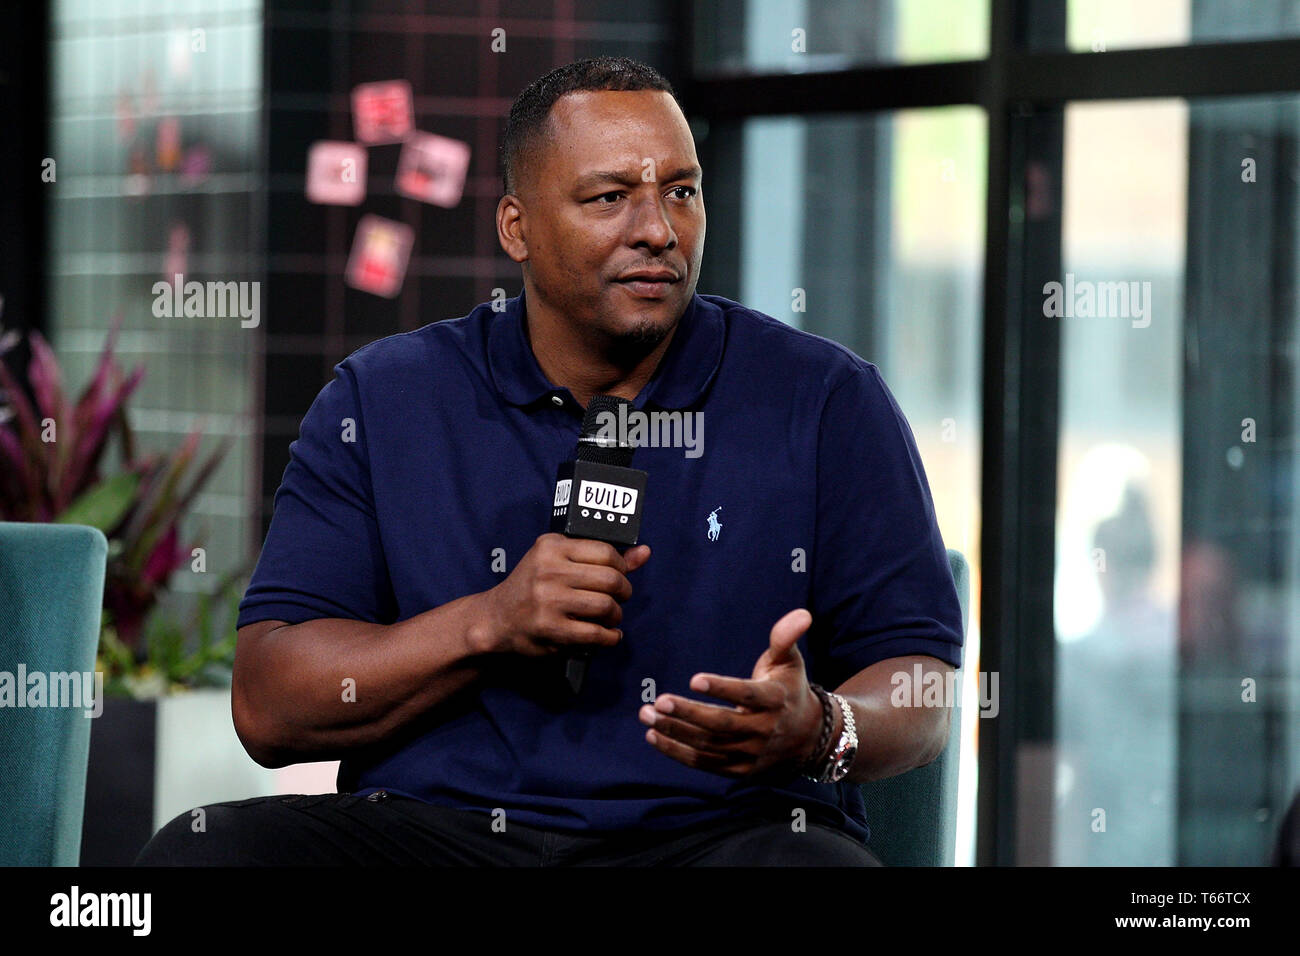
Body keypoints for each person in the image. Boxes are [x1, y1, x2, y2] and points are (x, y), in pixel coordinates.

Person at [135, 56, 964, 867]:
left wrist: (819, 727)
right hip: (439, 831)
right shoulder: (382, 400)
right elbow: (269, 705)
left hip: (722, 835)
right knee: (204, 855)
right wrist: (488, 622)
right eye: (610, 198)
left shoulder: (823, 398)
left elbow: (921, 692)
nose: (658, 230)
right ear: (516, 228)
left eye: (681, 190)